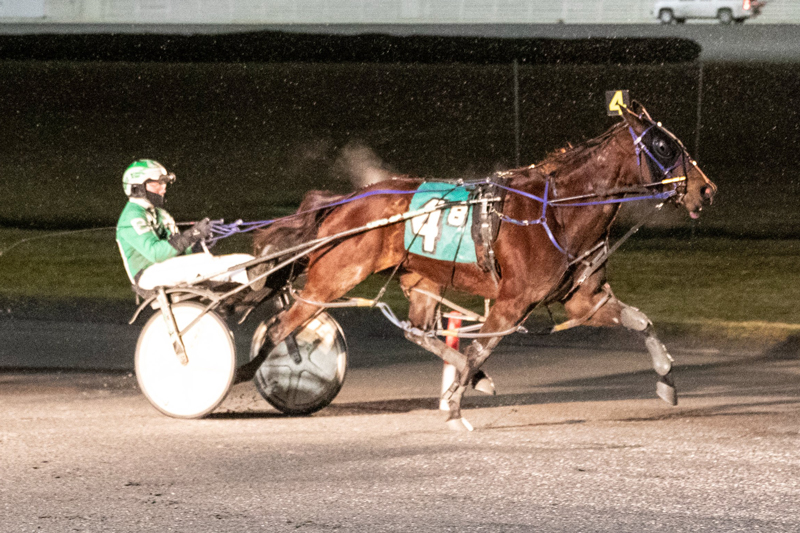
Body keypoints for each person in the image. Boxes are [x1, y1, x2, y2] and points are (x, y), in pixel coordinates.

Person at [115, 159, 254, 294]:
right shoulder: (131, 216)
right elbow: (156, 254)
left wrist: (197, 243)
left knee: (240, 260)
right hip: (148, 276)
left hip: (166, 267)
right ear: (137, 188)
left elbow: (178, 246)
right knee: (204, 263)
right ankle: (249, 278)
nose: (164, 188)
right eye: (158, 183)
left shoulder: (160, 213)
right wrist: (192, 235)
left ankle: (253, 271)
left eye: (164, 183)